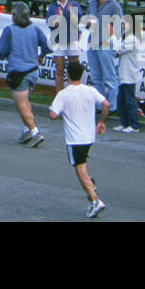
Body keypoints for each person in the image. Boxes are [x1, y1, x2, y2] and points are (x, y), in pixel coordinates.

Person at [48, 61, 109, 219]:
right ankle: (91, 184)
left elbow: (53, 115)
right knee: (83, 166)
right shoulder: (90, 90)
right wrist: (101, 121)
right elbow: (106, 104)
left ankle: (95, 201)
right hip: (89, 137)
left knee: (80, 170)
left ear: (67, 75)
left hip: (75, 139)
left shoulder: (64, 94)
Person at [0, 2, 52, 145]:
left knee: (21, 105)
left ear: (15, 16)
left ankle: (35, 131)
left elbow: (2, 53)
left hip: (18, 72)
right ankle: (26, 130)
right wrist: (41, 56)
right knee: (26, 102)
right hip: (33, 70)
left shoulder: (9, 30)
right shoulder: (35, 29)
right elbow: (47, 46)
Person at [86, 0, 122, 104]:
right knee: (96, 78)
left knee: (110, 78)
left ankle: (112, 106)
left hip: (106, 45)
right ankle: (101, 105)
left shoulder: (114, 6)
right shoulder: (92, 3)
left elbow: (119, 27)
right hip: (92, 44)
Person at [110, 20, 145, 133]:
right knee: (121, 100)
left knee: (130, 101)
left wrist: (112, 36)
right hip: (123, 74)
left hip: (130, 74)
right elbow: (115, 52)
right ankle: (124, 123)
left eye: (124, 24)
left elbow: (118, 49)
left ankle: (134, 125)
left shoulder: (132, 39)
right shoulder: (125, 37)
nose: (122, 26)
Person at [47, 0, 82, 90]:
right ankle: (59, 96)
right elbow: (51, 25)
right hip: (58, 41)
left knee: (74, 70)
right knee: (59, 69)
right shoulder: (52, 7)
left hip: (72, 40)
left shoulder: (74, 4)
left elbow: (77, 21)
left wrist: (71, 13)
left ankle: (75, 94)